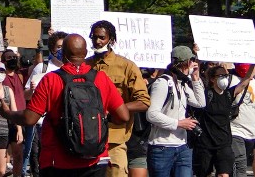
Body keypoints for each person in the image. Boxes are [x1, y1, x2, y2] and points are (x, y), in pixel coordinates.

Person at [9, 35, 129, 177]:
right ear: (85, 53)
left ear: (63, 53)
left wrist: (7, 113)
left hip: (57, 161)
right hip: (95, 159)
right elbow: (123, 116)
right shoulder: (101, 78)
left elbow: (29, 119)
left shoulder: (51, 79)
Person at [82, 25, 151, 177]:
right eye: (94, 37)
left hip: (114, 138)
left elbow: (144, 101)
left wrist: (115, 109)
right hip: (85, 139)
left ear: (111, 39)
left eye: (102, 37)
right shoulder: (83, 66)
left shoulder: (126, 66)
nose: (97, 41)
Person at [145, 49, 204, 177]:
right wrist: (178, 123)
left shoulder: (182, 83)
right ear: (185, 62)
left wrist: (195, 78)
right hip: (162, 147)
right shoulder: (163, 82)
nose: (194, 64)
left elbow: (200, 103)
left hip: (183, 146)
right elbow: (151, 114)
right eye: (192, 61)